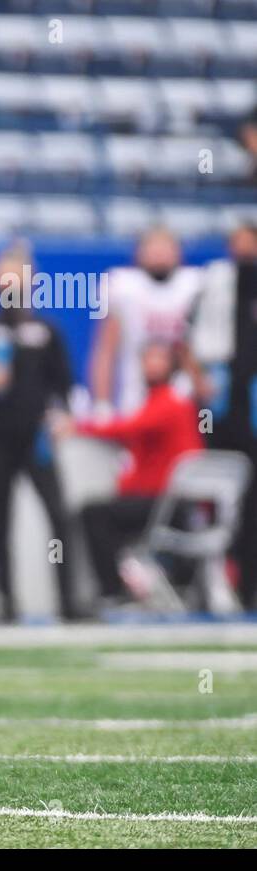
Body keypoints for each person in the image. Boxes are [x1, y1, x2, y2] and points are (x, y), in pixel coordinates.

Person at [0, 244, 82, 622]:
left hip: (37, 437)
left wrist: (62, 418)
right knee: (2, 519)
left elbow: (63, 384)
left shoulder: (45, 332)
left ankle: (69, 601)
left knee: (57, 515)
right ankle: (8, 602)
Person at [55, 342, 203, 609]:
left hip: (166, 503)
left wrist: (78, 426)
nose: (151, 365)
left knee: (94, 513)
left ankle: (112, 590)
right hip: (167, 502)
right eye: (147, 359)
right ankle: (136, 580)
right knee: (103, 510)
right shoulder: (162, 401)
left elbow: (128, 428)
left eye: (158, 359)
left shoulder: (170, 402)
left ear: (172, 366)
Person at [190, 223, 257, 609]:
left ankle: (247, 585)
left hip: (251, 404)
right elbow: (188, 337)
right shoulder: (215, 281)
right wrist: (201, 380)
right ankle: (214, 582)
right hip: (222, 407)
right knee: (215, 491)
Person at [90, 228, 203, 417]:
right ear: (139, 253)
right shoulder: (123, 287)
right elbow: (106, 350)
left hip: (184, 392)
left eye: (165, 248)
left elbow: (200, 349)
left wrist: (201, 387)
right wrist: (102, 402)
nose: (159, 255)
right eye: (153, 249)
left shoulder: (194, 285)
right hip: (135, 393)